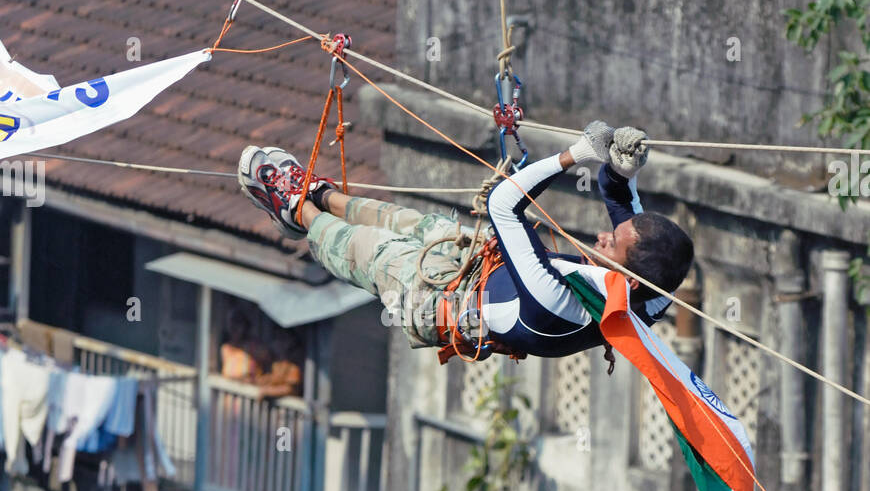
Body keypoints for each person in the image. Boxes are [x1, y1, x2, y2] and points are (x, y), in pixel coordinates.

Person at [236, 124, 693, 361]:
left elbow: (504, 203)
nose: (601, 237)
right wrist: (620, 166)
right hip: (475, 263)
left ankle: (295, 207)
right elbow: (618, 199)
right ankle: (321, 193)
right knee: (406, 220)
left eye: (610, 245)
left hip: (433, 301)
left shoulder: (556, 298)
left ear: (626, 277)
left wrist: (575, 154)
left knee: (370, 248)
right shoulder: (651, 293)